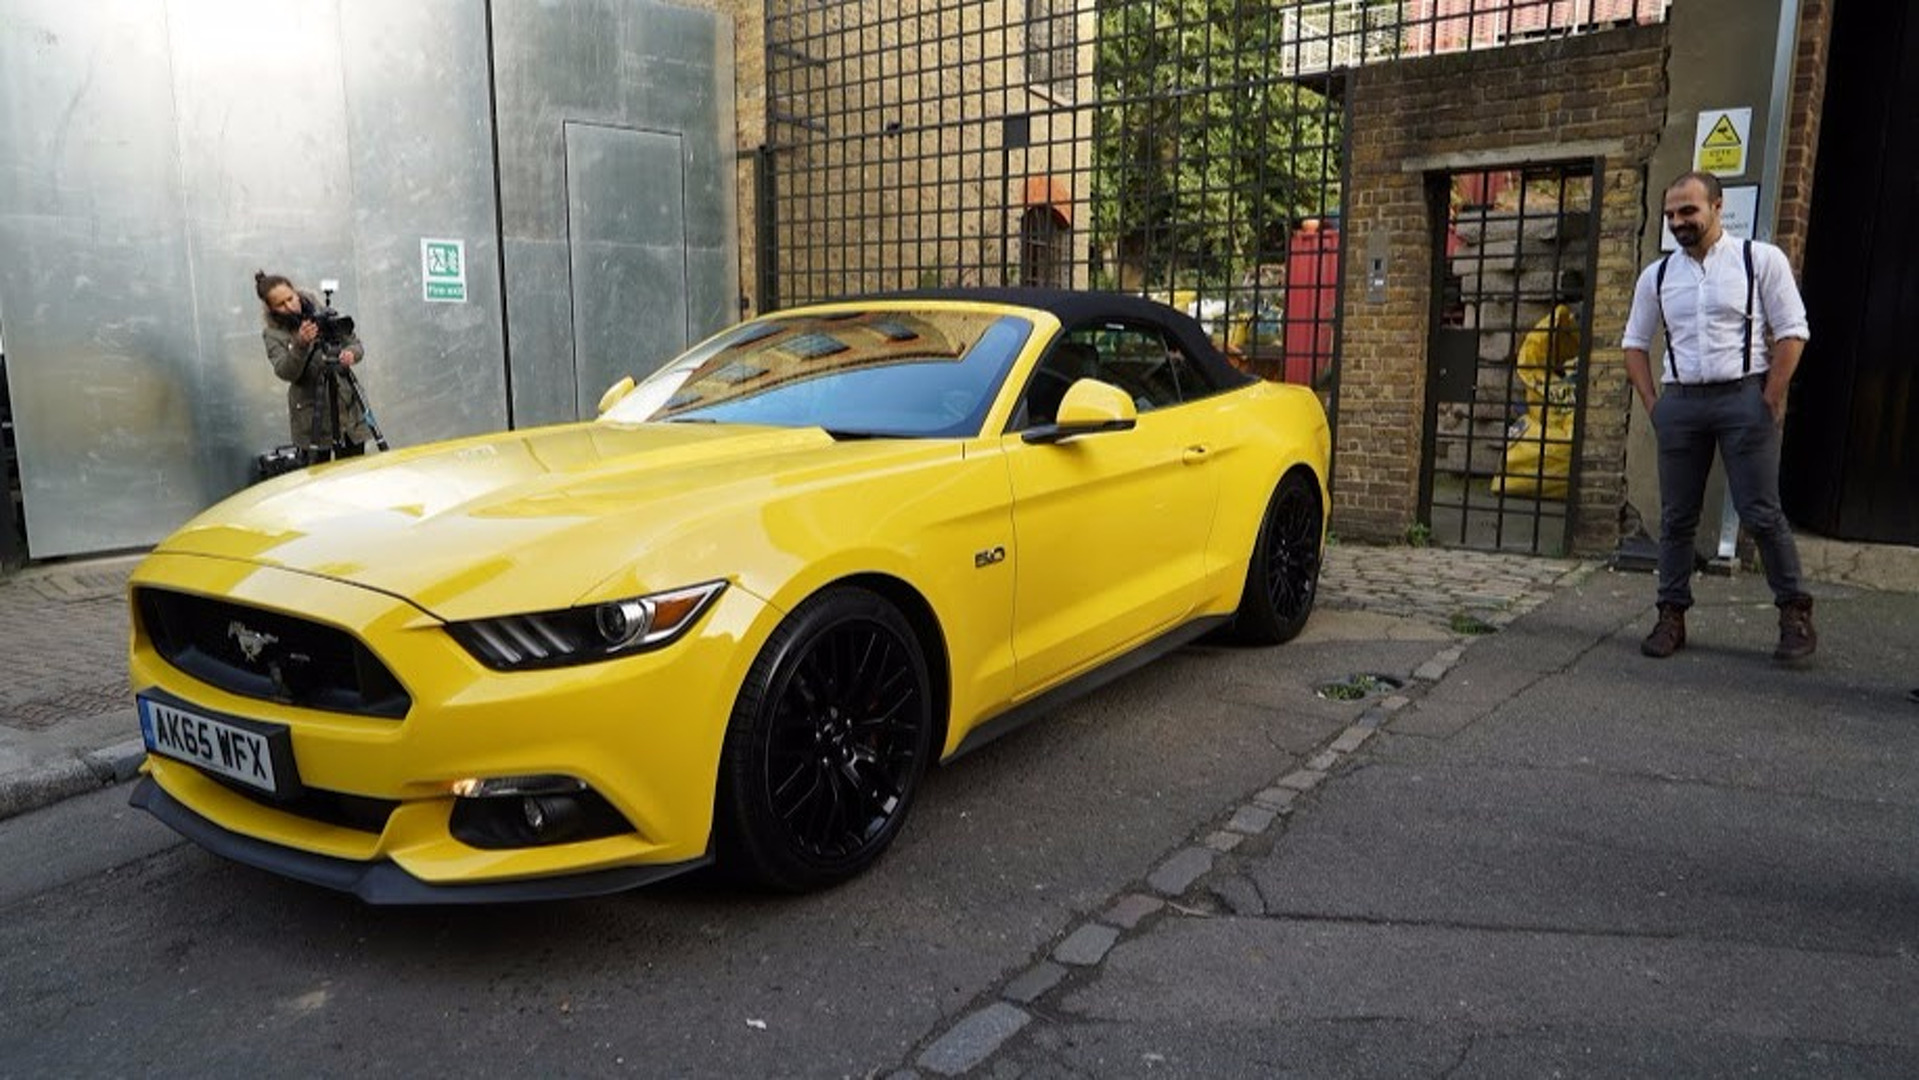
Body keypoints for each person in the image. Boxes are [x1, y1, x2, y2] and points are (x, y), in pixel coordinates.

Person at [1622, 171, 1814, 663]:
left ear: (1716, 207)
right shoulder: (1659, 276)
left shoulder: (1759, 260)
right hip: (1681, 402)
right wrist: (1654, 404)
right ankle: (1671, 615)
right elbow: (1634, 344)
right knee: (1677, 517)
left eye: (1688, 211)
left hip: (1743, 397)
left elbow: (1793, 330)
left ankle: (1794, 613)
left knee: (1761, 512)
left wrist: (1770, 397)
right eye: (1670, 215)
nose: (1678, 222)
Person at [254, 270, 370, 461]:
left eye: (291, 298)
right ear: (271, 308)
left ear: (296, 293)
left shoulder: (323, 315)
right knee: (317, 479)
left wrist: (352, 355)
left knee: (353, 474)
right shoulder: (273, 333)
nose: (289, 306)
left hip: (347, 410)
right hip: (312, 417)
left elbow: (355, 344)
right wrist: (300, 345)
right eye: (280, 304)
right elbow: (285, 371)